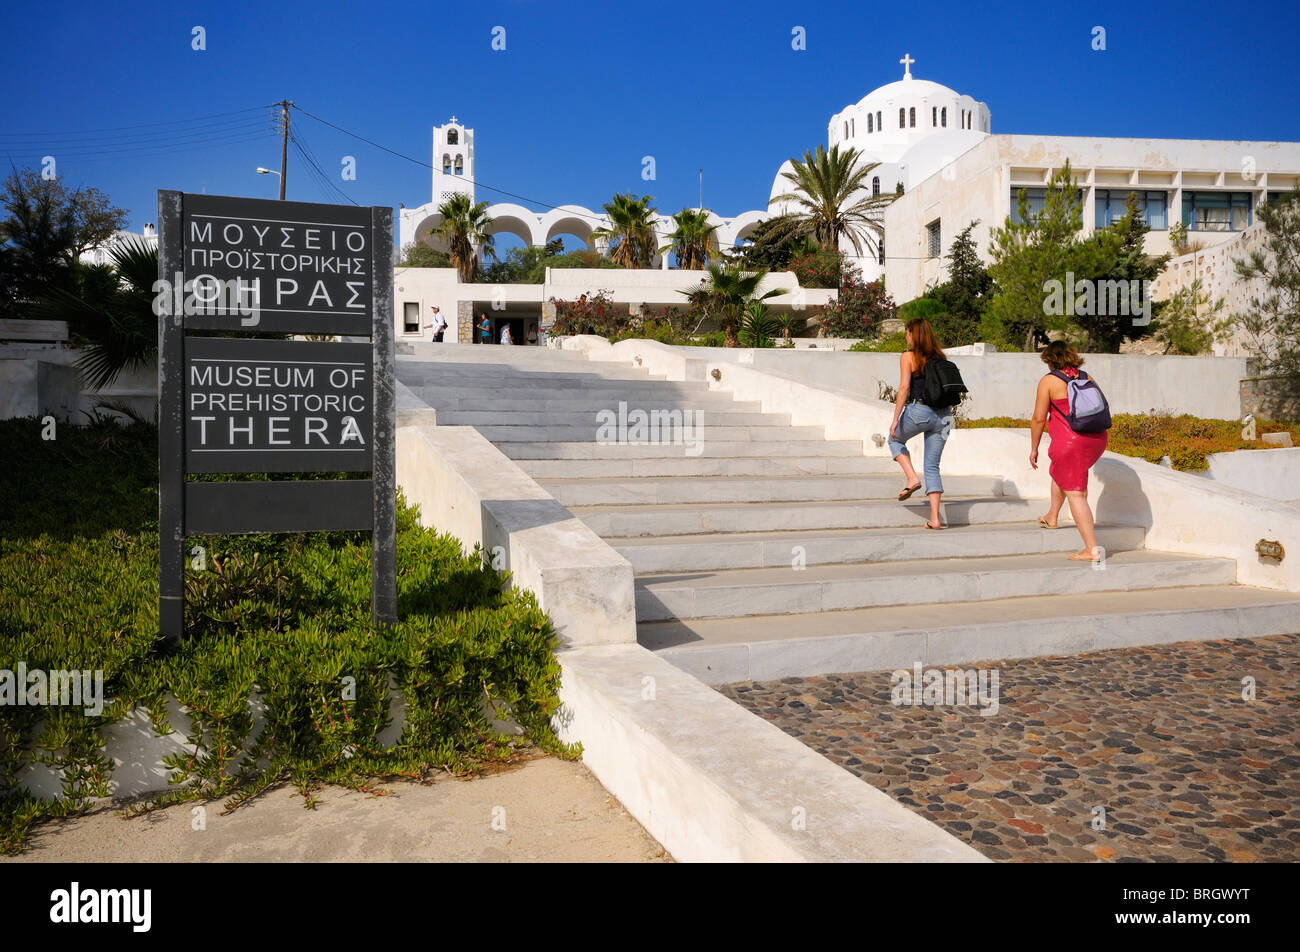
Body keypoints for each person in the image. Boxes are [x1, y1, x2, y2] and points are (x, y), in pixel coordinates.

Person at [1029, 340, 1109, 561]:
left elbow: (1038, 418)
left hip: (1070, 442)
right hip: (1097, 438)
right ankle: (1052, 516)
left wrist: (1034, 447)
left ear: (1049, 359)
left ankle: (1092, 550)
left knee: (1076, 493)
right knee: (1060, 470)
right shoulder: (1086, 377)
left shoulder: (1049, 381)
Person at [887, 317, 953, 530]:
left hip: (920, 411)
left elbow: (904, 389)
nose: (905, 337)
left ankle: (912, 478)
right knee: (932, 466)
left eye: (907, 333)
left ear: (913, 334)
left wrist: (895, 418)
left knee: (893, 439)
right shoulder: (940, 357)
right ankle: (935, 519)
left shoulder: (908, 356)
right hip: (945, 417)